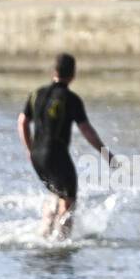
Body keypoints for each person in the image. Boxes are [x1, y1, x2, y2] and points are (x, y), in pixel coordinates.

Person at [17, 53, 113, 239]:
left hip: (37, 157)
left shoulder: (36, 94)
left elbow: (22, 122)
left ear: (54, 71)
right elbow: (87, 130)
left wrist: (29, 150)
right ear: (73, 74)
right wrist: (106, 153)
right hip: (57, 156)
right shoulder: (71, 99)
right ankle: (61, 242)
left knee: (56, 194)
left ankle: (44, 235)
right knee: (69, 200)